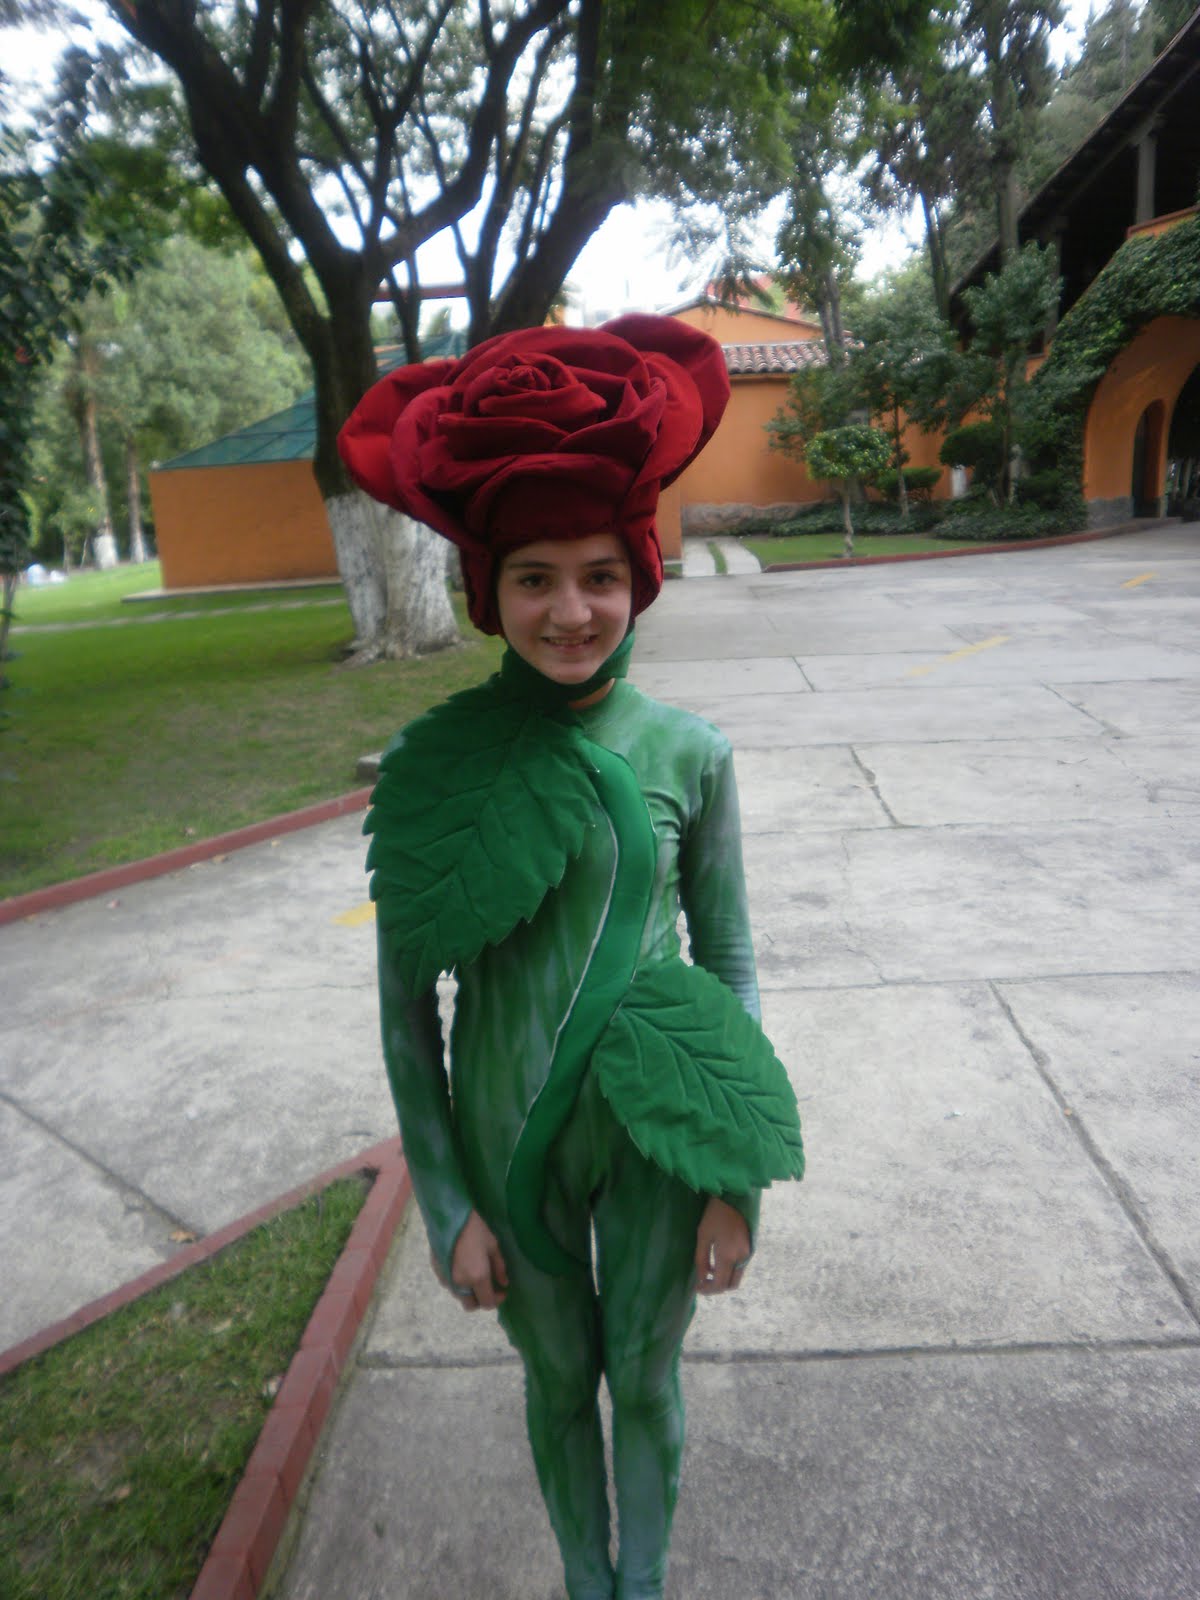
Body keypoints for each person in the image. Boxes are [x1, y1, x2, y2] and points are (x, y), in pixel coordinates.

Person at [338, 315, 804, 1600]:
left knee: (645, 1374)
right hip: (505, 1134)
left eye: (599, 573)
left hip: (659, 1128)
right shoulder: (442, 777)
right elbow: (404, 1014)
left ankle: (639, 1581)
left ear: (639, 576)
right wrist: (446, 1206)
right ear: (488, 591)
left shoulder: (692, 755)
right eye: (532, 577)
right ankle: (583, 1581)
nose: (569, 609)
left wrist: (734, 1174)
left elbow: (734, 962)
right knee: (558, 1377)